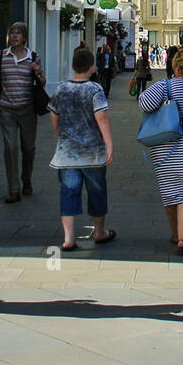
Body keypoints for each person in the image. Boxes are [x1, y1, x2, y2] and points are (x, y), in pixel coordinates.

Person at [138, 49, 183, 254]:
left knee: (170, 190)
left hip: (166, 145)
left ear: (176, 67)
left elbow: (144, 103)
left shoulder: (165, 86)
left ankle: (175, 233)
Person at [49, 46, 115, 251]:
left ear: (72, 67)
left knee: (68, 192)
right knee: (96, 191)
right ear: (92, 68)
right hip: (92, 152)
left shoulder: (61, 89)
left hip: (67, 152)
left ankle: (69, 238)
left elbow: (54, 115)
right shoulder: (95, 89)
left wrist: (59, 134)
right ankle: (100, 232)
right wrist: (109, 144)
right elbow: (101, 117)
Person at [0, 21, 45, 203]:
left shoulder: (33, 56)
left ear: (24, 37)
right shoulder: (0, 56)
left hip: (28, 109)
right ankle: (13, 189)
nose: (14, 36)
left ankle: (26, 179)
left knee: (28, 148)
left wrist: (37, 71)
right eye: (12, 33)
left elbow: (43, 82)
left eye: (18, 33)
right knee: (10, 148)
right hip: (7, 109)